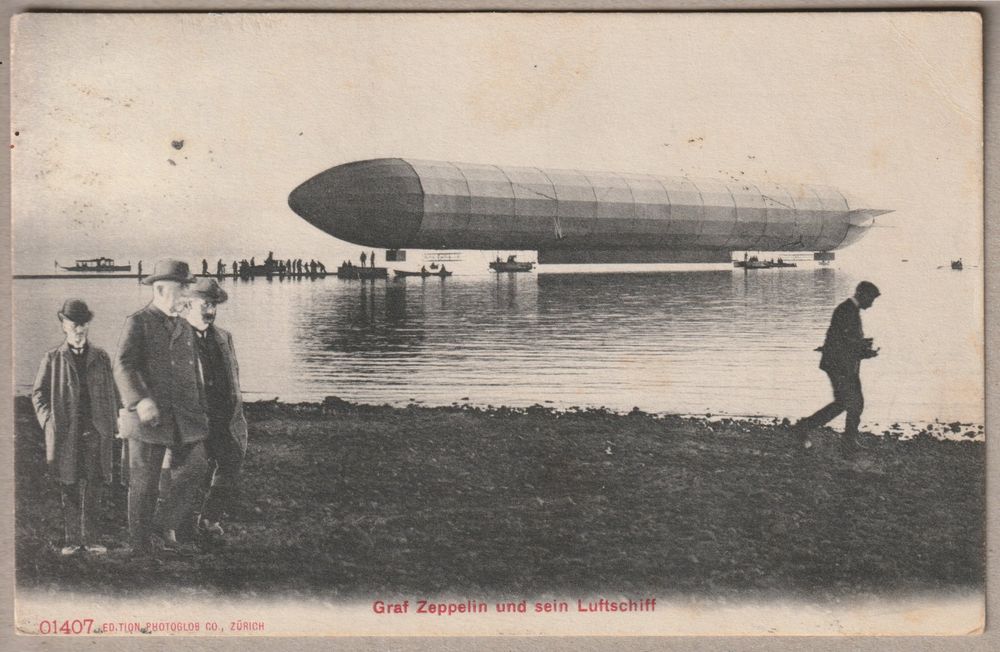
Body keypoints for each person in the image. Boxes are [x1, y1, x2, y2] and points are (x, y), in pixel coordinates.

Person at [113, 259, 208, 558]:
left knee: (197, 466)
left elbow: (192, 374)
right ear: (161, 288)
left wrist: (200, 409)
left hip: (183, 417)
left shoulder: (183, 325)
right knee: (144, 482)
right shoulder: (138, 321)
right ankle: (140, 546)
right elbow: (123, 366)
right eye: (183, 288)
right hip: (146, 417)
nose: (187, 295)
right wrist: (140, 400)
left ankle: (162, 524)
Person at [32, 299, 118, 556]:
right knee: (68, 484)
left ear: (87, 325)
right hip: (66, 434)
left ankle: (91, 540)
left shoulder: (101, 357)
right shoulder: (53, 358)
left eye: (83, 324)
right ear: (64, 325)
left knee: (94, 485)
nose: (79, 330)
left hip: (95, 432)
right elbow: (38, 395)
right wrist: (49, 421)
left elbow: (112, 393)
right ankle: (71, 541)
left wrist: (112, 423)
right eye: (73, 324)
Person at [178, 278, 248, 545]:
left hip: (222, 417)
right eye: (205, 304)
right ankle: (183, 526)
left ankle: (210, 518)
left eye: (214, 305)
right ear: (188, 304)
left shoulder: (223, 337)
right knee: (191, 472)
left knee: (230, 462)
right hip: (192, 419)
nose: (211, 310)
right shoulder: (177, 338)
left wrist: (235, 409)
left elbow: (233, 375)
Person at [795, 281, 881, 456]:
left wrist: (863, 348)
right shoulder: (847, 310)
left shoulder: (849, 309)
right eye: (871, 299)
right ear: (862, 295)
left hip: (842, 364)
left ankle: (844, 439)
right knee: (850, 402)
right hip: (839, 365)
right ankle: (808, 428)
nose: (871, 304)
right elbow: (843, 342)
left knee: (850, 402)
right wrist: (864, 351)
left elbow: (843, 339)